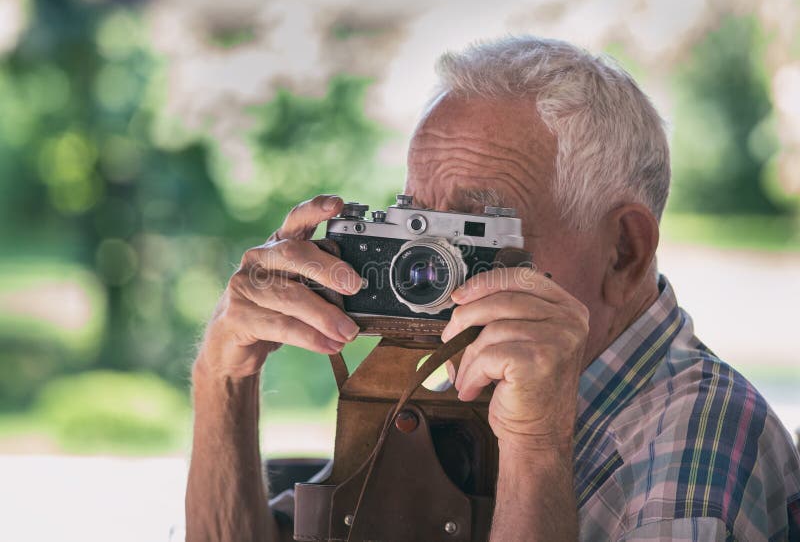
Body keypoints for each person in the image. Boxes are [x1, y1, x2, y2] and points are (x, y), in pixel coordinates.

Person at [185, 36, 800, 541]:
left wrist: (537, 447)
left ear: (625, 253)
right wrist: (224, 379)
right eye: (412, 223)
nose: (429, 272)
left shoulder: (698, 437)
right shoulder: (458, 372)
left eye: (475, 233)